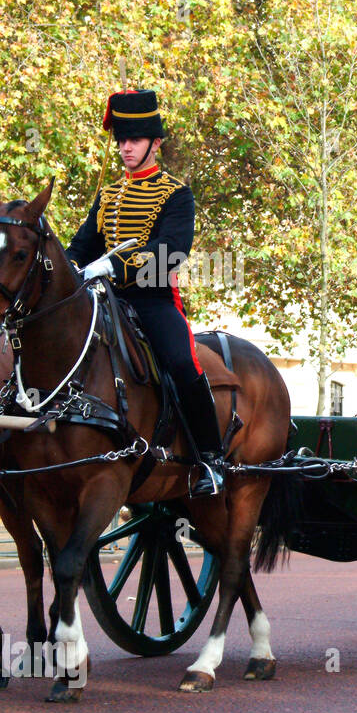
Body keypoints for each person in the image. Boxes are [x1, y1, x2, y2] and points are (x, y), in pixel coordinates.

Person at [65, 89, 224, 496]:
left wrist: (115, 265)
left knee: (181, 362)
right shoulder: (108, 196)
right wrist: (69, 268)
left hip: (152, 299)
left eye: (133, 140)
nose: (125, 148)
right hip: (104, 299)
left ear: (155, 143)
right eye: (121, 140)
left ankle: (211, 459)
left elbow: (171, 253)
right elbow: (83, 246)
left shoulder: (175, 194)